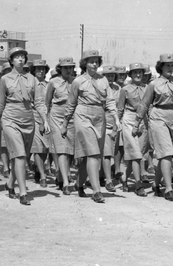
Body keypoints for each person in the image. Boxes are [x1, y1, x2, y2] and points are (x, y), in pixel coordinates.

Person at [0, 46, 49, 206]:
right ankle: (23, 192)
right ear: (11, 61)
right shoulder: (5, 79)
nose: (20, 59)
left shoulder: (32, 79)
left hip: (28, 118)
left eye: (23, 56)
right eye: (17, 57)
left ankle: (9, 184)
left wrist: (44, 119)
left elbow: (38, 101)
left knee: (20, 156)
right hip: (10, 118)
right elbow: (0, 102)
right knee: (20, 155)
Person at [61, 49, 119, 203]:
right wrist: (65, 124)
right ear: (85, 63)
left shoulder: (103, 80)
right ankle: (96, 191)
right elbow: (70, 104)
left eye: (96, 61)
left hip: (99, 116)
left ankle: (79, 184)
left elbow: (110, 101)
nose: (94, 63)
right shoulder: (78, 81)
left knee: (91, 156)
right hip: (83, 115)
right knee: (93, 153)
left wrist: (115, 118)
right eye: (90, 61)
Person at [136, 53, 173, 201]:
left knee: (164, 155)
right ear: (160, 67)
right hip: (158, 118)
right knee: (166, 153)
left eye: (172, 65)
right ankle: (168, 189)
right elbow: (144, 104)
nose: (170, 67)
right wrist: (137, 123)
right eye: (167, 65)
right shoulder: (154, 84)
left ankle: (155, 184)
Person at [117, 62, 150, 195]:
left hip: (144, 121)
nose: (138, 74)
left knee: (139, 154)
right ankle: (138, 184)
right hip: (129, 120)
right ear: (130, 74)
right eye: (135, 72)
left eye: (140, 72)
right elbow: (120, 109)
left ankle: (124, 178)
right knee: (135, 154)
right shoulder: (125, 89)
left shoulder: (148, 88)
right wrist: (116, 126)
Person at [46, 57, 77, 194]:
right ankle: (65, 182)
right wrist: (44, 121)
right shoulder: (53, 82)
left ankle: (61, 174)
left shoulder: (76, 82)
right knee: (61, 149)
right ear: (60, 69)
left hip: (73, 117)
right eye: (66, 68)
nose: (69, 70)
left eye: (71, 67)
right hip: (56, 117)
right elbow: (47, 102)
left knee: (70, 150)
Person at [29, 58, 51, 187]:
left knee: (45, 148)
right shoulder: (30, 84)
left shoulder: (49, 85)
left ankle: (38, 168)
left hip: (47, 118)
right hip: (33, 116)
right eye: (38, 69)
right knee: (37, 147)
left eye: (42, 69)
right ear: (34, 71)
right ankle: (43, 175)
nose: (40, 71)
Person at [100, 65, 122, 191]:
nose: (110, 78)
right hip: (99, 122)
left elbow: (119, 109)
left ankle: (106, 177)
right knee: (103, 152)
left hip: (113, 123)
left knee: (110, 152)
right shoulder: (99, 87)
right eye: (108, 75)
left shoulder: (118, 89)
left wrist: (115, 126)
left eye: (112, 75)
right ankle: (106, 179)